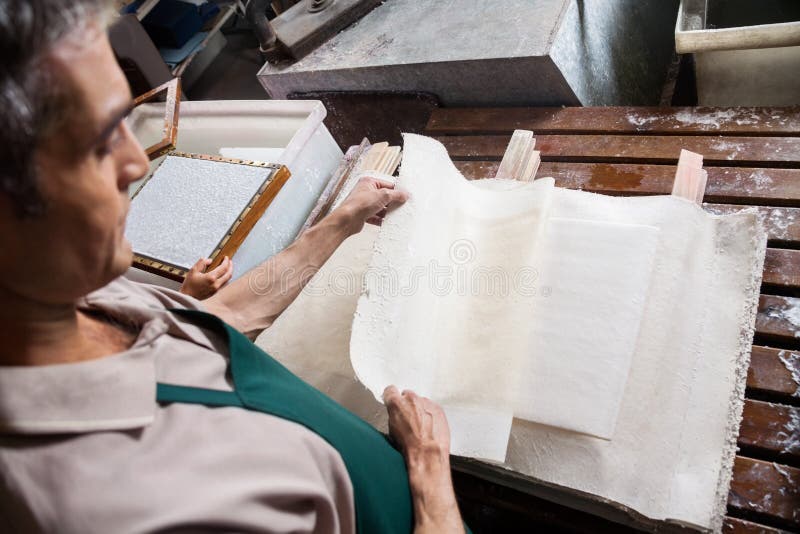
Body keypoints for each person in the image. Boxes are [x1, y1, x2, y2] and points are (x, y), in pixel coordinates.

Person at [0, 1, 465, 532]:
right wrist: (430, 483)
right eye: (100, 141)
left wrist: (340, 222)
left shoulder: (83, 301)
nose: (135, 162)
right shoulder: (115, 506)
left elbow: (217, 318)